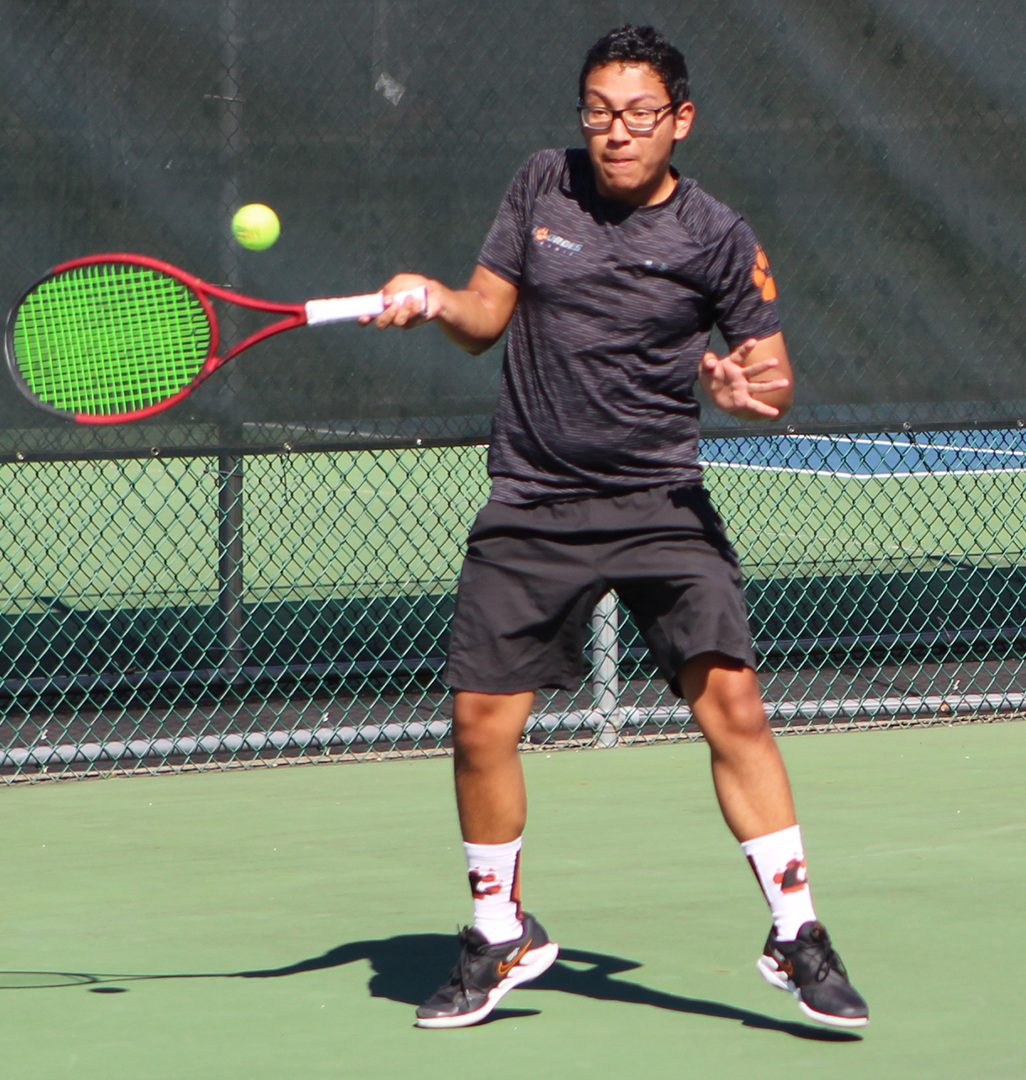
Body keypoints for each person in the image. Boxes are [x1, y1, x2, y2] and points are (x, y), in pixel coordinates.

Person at [365, 24, 869, 1031]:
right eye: (599, 112)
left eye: (640, 115)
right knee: (478, 724)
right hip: (535, 502)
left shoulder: (716, 235)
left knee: (733, 704)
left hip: (658, 506)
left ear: (680, 121)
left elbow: (773, 382)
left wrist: (738, 390)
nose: (616, 133)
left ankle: (797, 932)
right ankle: (497, 932)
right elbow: (482, 321)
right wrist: (431, 299)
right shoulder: (539, 188)